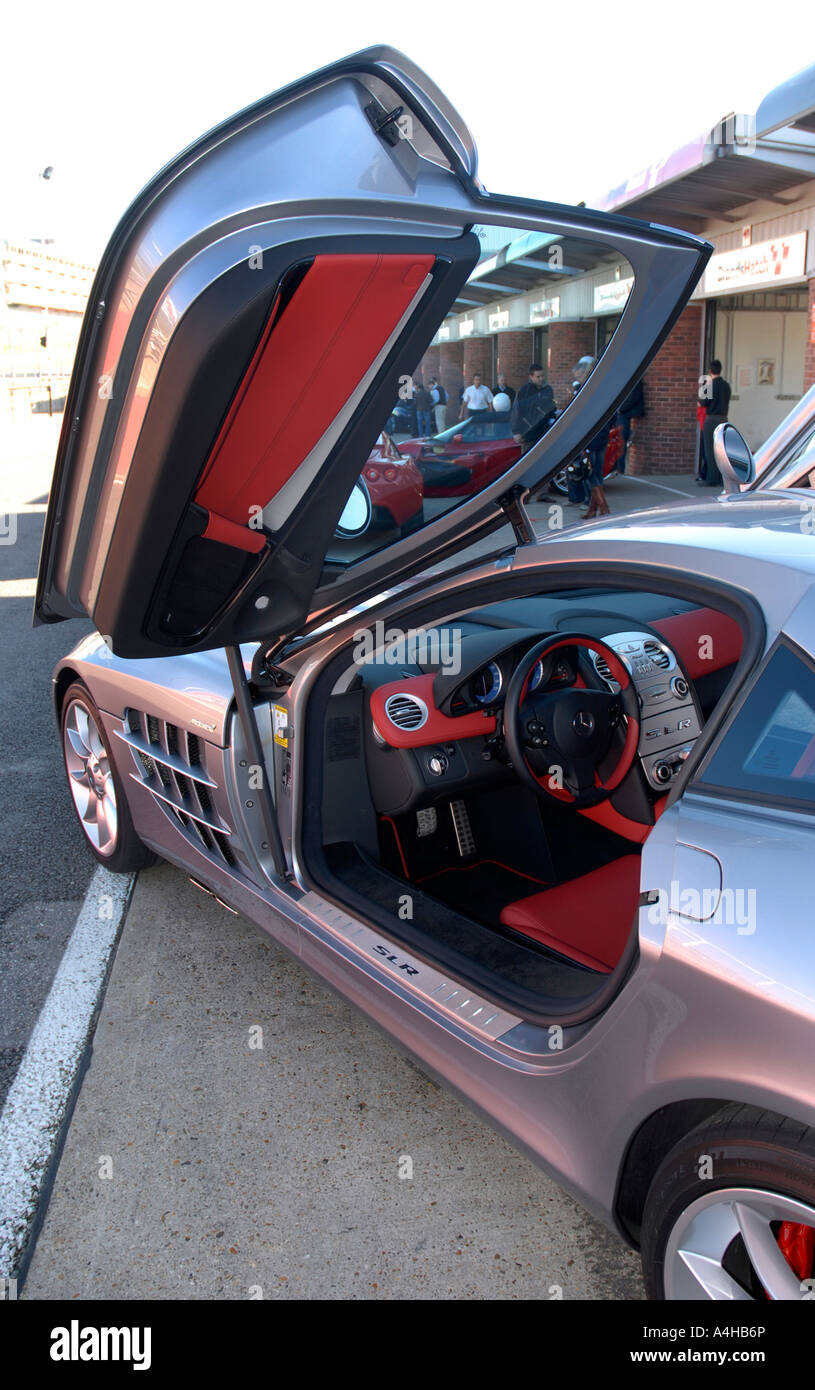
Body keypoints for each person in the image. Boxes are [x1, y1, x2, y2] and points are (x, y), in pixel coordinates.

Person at [698, 359, 731, 487]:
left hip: (711, 419)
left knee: (709, 450)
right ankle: (722, 478)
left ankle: (711, 478)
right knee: (722, 450)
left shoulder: (709, 385)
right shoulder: (726, 385)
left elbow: (703, 402)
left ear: (710, 370)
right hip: (723, 419)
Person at [510, 362, 557, 452]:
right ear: (531, 377)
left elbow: (551, 408)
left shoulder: (548, 390)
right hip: (529, 434)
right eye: (538, 377)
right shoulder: (524, 391)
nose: (541, 379)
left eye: (542, 376)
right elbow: (517, 411)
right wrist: (516, 432)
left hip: (545, 432)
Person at [615, 378, 645, 474]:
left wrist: (620, 409)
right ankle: (617, 469)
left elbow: (633, 397)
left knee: (621, 444)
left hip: (625, 415)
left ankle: (619, 470)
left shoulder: (634, 379)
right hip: (623, 414)